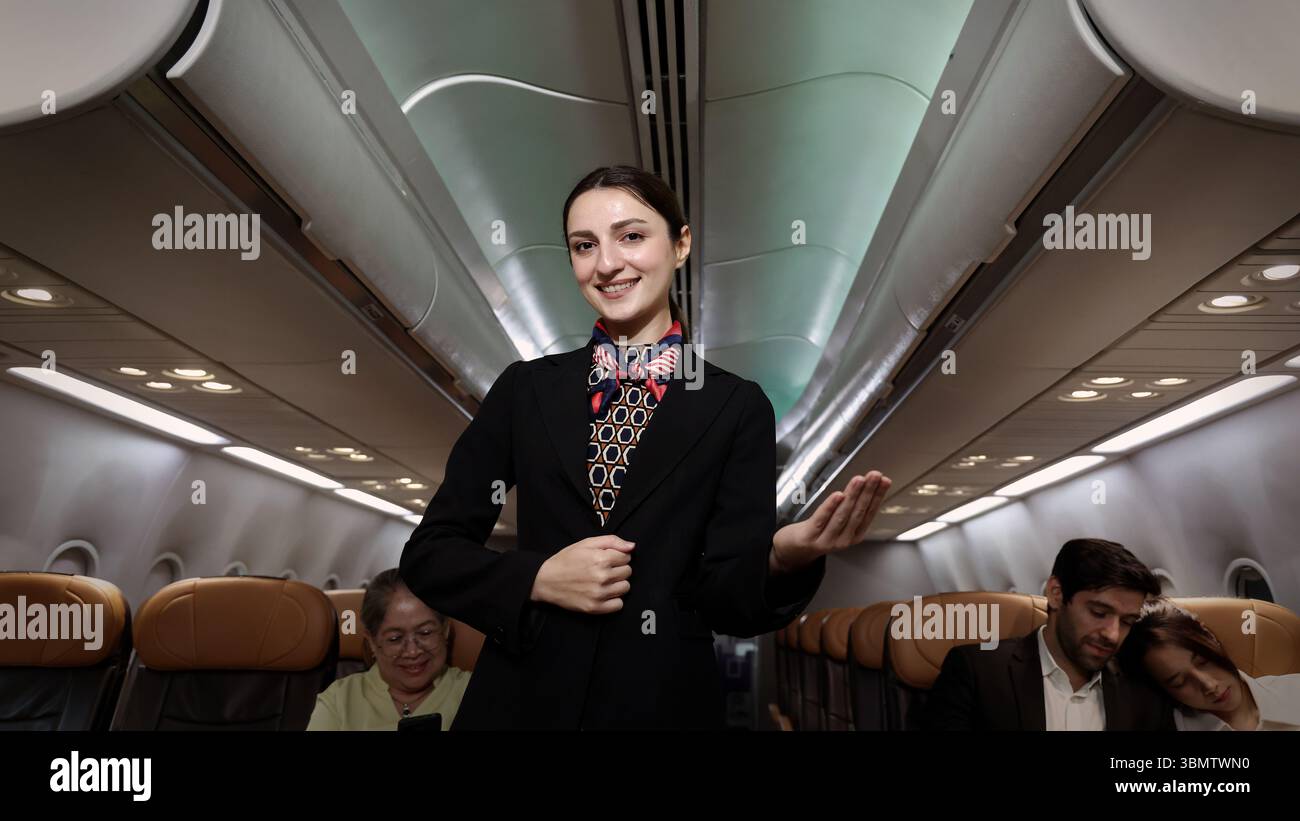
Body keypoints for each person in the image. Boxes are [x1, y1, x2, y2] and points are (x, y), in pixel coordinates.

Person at [399, 165, 892, 729]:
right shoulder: (525, 391)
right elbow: (431, 552)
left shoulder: (735, 407)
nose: (607, 264)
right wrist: (536, 578)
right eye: (584, 246)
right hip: (523, 700)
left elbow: (725, 600)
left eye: (631, 236)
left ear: (681, 244)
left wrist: (783, 556)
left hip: (662, 702)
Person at [923, 538, 1174, 730]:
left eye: (1128, 621)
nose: (1113, 634)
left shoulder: (1143, 689)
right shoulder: (977, 670)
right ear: (1056, 593)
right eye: (1098, 612)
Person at [307, 569, 470, 730]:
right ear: (372, 641)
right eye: (395, 639)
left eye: (425, 633)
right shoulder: (339, 701)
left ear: (446, 630)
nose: (412, 652)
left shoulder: (476, 691)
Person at [1119, 599, 1300, 731]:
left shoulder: (1294, 690)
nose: (1209, 685)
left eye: (1203, 662)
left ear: (1211, 639)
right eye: (1179, 682)